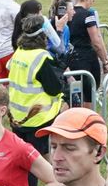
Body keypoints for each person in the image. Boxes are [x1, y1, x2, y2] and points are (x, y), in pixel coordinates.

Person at [6, 13, 66, 153]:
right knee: (38, 162)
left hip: (18, 117)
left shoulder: (19, 52)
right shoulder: (41, 57)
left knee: (23, 160)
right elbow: (54, 89)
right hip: (38, 119)